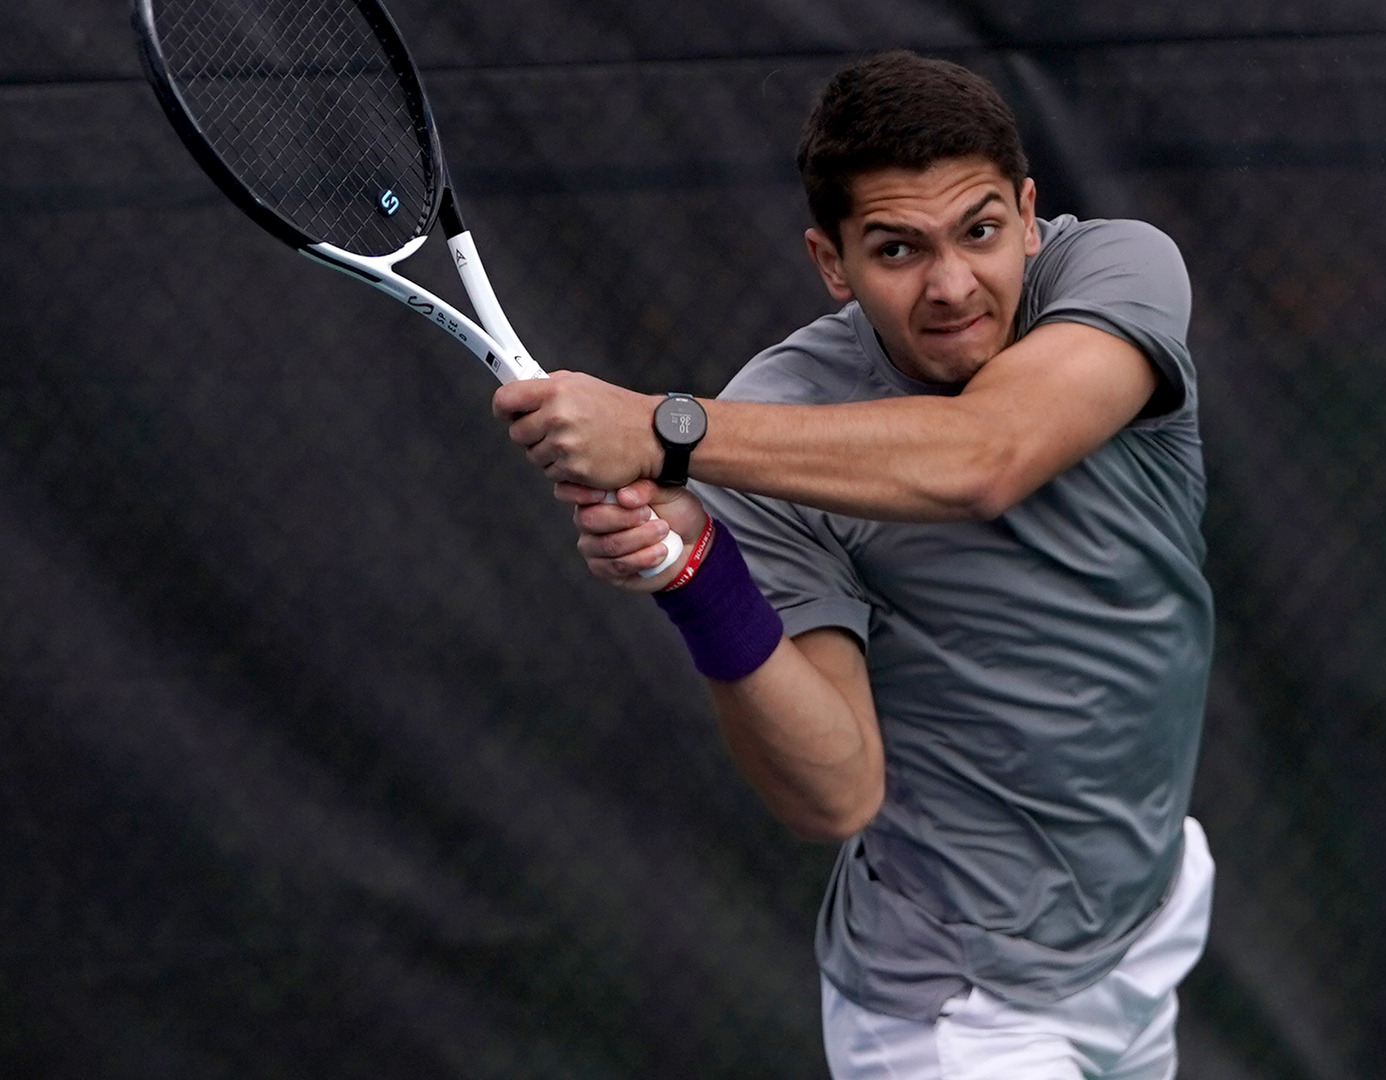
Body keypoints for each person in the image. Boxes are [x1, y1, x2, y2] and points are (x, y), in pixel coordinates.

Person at [493, 50, 1215, 1079]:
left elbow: (985, 458)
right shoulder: (770, 429)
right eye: (897, 249)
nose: (954, 283)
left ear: (1028, 209)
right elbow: (836, 793)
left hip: (1144, 922)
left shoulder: (1118, 271)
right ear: (832, 263)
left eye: (980, 229)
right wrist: (700, 575)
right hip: (958, 1010)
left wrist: (664, 427)